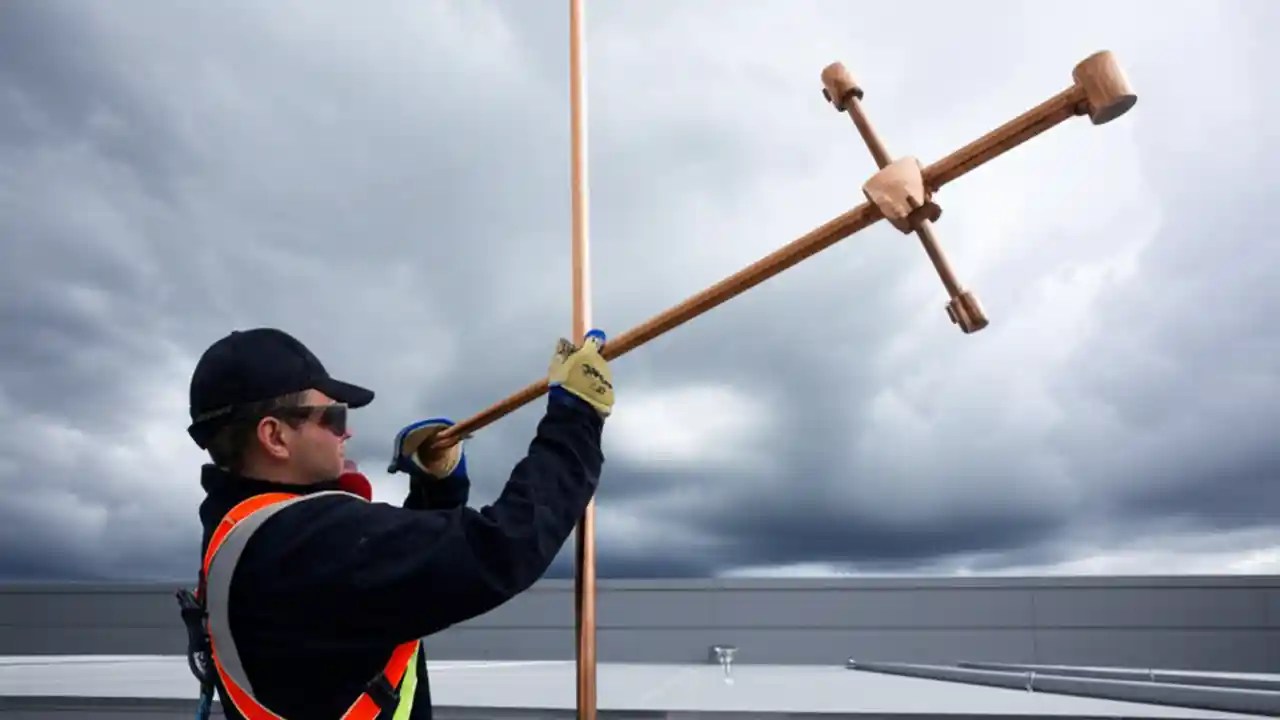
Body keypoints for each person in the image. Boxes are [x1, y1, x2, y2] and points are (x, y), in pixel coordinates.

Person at [176, 327, 614, 719]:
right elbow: (501, 548)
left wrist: (434, 491)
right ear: (274, 436)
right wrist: (576, 421)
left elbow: (379, 589)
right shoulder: (305, 542)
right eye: (333, 417)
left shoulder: (246, 535)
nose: (345, 433)